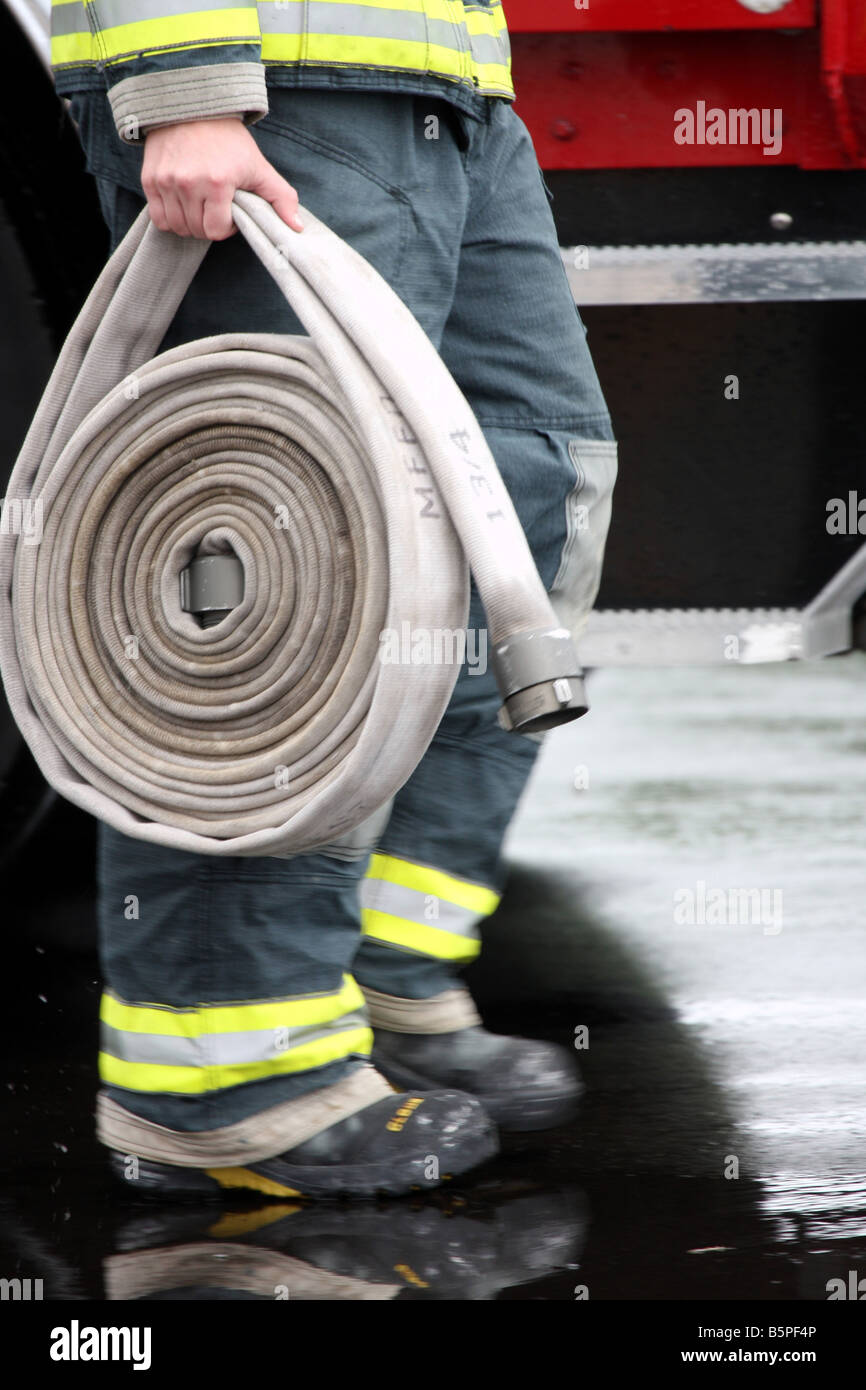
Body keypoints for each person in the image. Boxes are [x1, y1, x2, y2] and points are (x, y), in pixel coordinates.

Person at [51, 0, 618, 1198]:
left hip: (437, 82)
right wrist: (185, 76)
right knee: (279, 586)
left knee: (525, 487)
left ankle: (375, 979)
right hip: (273, 85)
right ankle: (228, 1075)